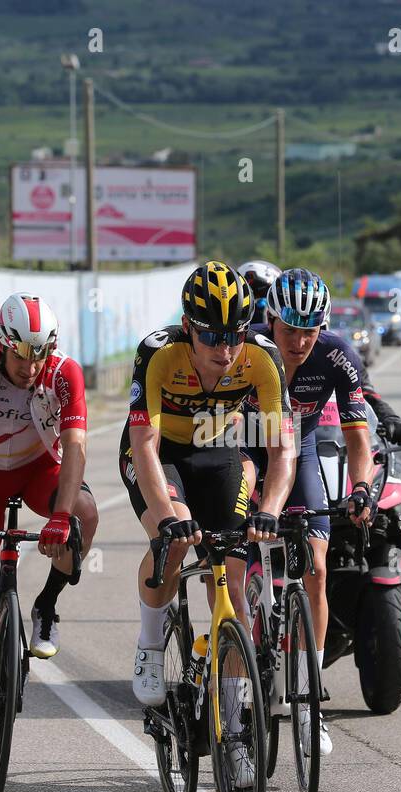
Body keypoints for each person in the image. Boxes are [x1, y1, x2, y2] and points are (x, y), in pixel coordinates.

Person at [122, 261, 296, 735]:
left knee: (233, 581)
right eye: (211, 337)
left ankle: (236, 729)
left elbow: (282, 449)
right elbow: (144, 447)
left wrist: (270, 511)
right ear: (187, 328)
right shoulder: (157, 353)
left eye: (235, 335)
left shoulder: (262, 355)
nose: (225, 349)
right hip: (163, 454)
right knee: (173, 540)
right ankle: (151, 644)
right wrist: (166, 518)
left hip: (217, 450)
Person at [0, 293, 98, 755]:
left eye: (40, 355)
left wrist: (62, 517)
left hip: (37, 469)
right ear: (2, 343)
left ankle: (46, 605)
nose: (31, 366)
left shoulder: (64, 371)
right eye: (20, 355)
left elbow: (75, 446)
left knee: (84, 515)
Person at [239, 268, 373, 757]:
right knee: (245, 547)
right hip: (244, 445)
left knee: (316, 566)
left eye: (309, 330)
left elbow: (359, 437)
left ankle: (308, 699)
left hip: (303, 447)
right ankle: (238, 660)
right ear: (270, 319)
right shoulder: (247, 345)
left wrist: (361, 488)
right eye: (289, 328)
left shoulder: (337, 355)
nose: (298, 341)